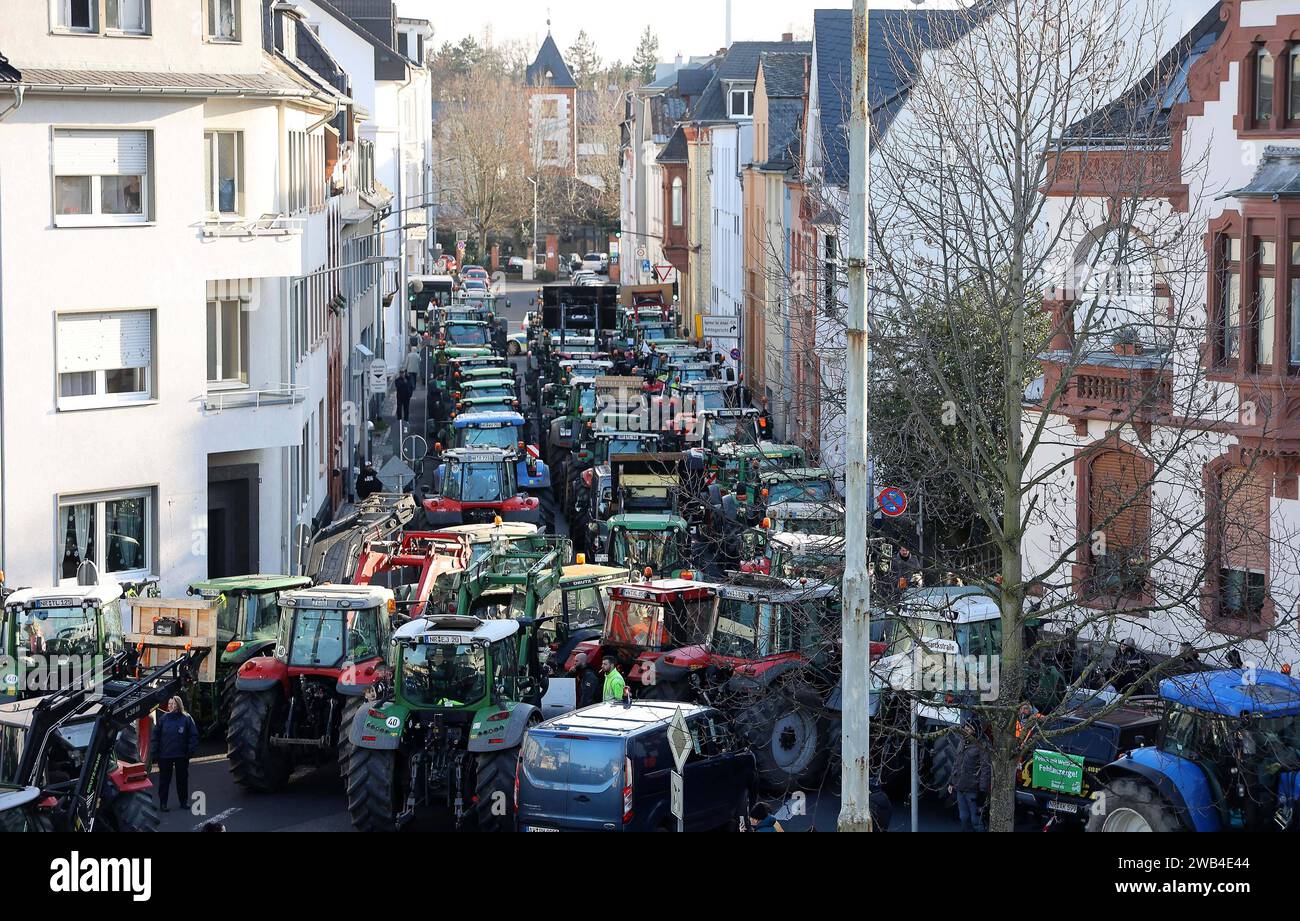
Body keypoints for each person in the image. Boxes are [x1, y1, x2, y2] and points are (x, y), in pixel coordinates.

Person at [155, 696, 198, 813]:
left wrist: (190, 752)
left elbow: (193, 736)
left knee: (182, 780)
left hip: (181, 756)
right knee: (164, 781)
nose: (170, 706)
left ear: (179, 705)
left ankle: (183, 802)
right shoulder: (163, 719)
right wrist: (155, 753)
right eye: (169, 704)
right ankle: (163, 803)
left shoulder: (186, 719)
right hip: (165, 755)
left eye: (173, 704)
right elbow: (155, 736)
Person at [948, 723, 990, 832]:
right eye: (965, 726)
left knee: (976, 820)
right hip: (960, 788)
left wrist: (982, 791)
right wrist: (952, 782)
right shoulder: (962, 742)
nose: (966, 729)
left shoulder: (981, 745)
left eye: (969, 727)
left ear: (975, 729)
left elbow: (986, 770)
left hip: (973, 790)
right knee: (963, 818)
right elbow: (956, 763)